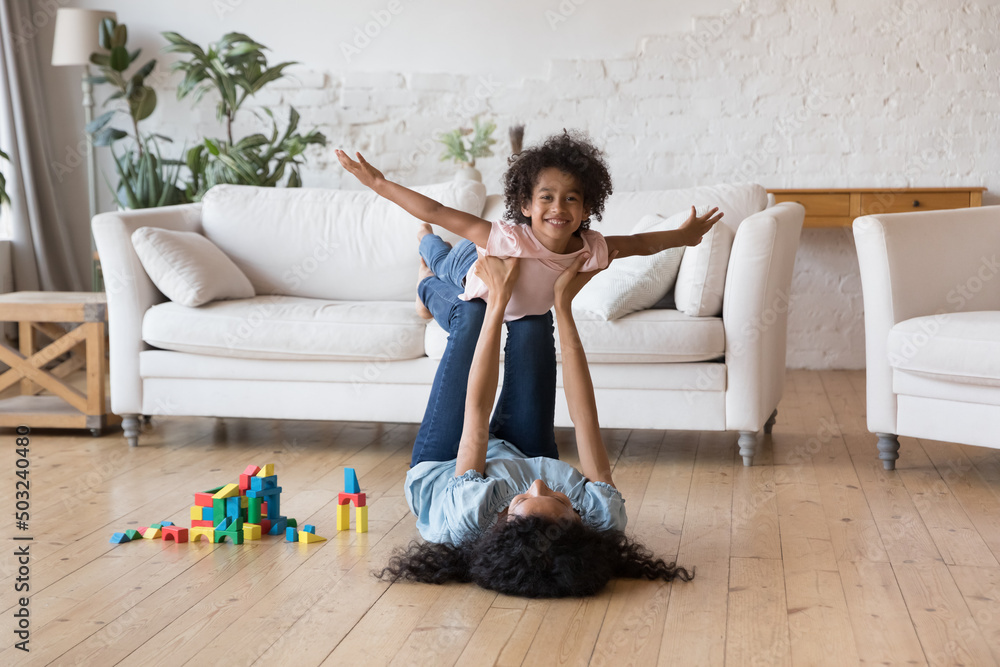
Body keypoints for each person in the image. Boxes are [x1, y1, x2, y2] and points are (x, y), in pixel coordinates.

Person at [335, 129, 722, 464]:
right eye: (547, 197)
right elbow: (437, 208)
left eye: (572, 198)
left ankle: (429, 253)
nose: (559, 207)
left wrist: (682, 238)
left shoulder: (588, 248)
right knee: (441, 263)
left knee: (491, 297)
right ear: (525, 205)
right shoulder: (508, 237)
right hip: (476, 270)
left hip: (516, 306)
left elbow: (638, 243)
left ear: (588, 207)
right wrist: (379, 184)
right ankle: (424, 253)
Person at [376, 252, 694, 598]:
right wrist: (563, 304)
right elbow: (584, 419)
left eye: (523, 499)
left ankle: (426, 286)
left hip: (449, 460)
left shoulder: (469, 514)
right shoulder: (602, 518)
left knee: (473, 314)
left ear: (501, 525)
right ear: (579, 524)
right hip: (520, 452)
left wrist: (497, 302)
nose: (539, 484)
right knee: (534, 319)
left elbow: (476, 415)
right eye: (559, 500)